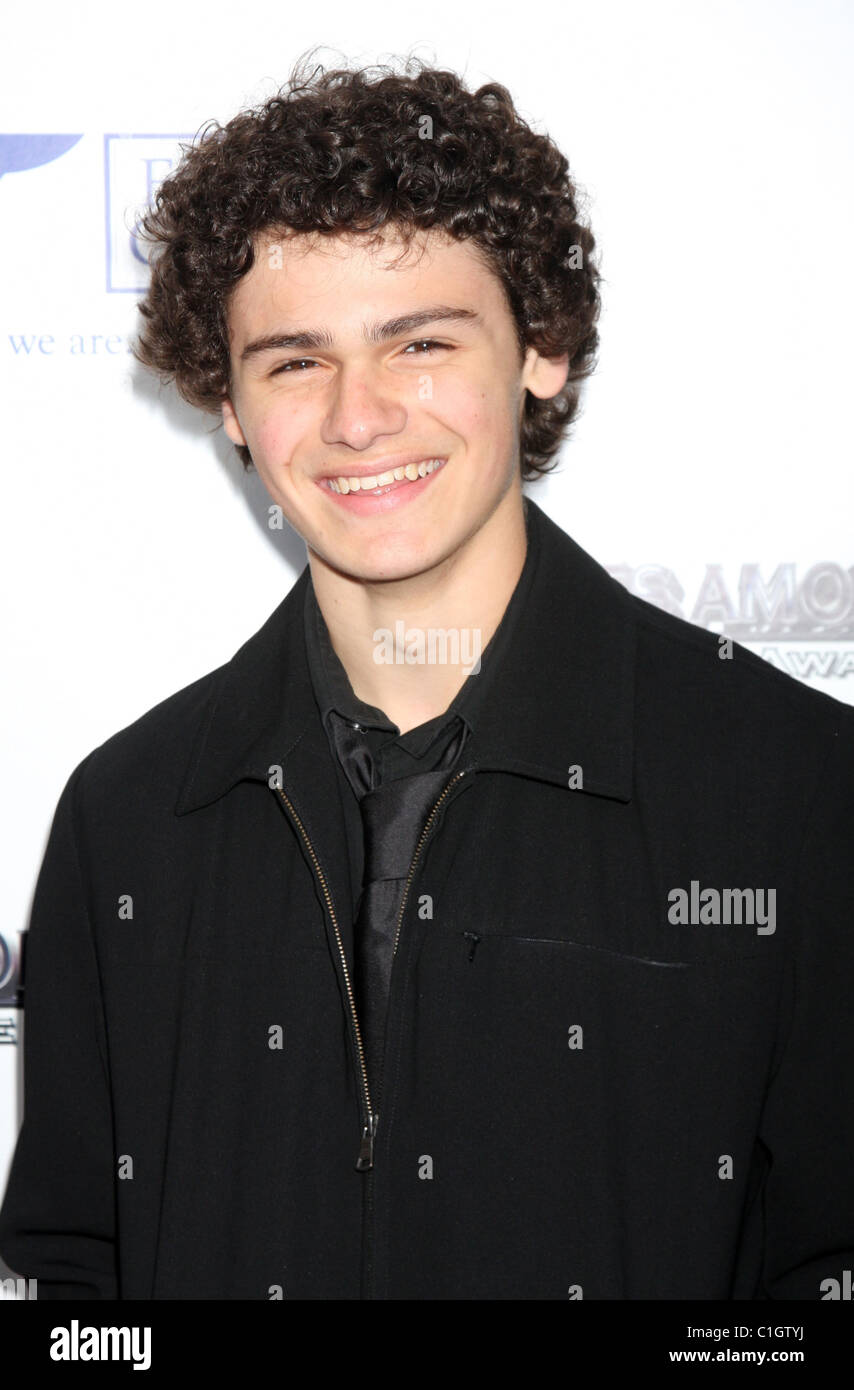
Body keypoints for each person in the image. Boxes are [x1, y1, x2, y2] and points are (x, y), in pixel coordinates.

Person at [1, 53, 852, 1301]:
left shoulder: (794, 787)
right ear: (228, 405)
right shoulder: (127, 816)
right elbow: (78, 1285)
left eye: (418, 343)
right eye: (293, 361)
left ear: (541, 351)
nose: (357, 417)